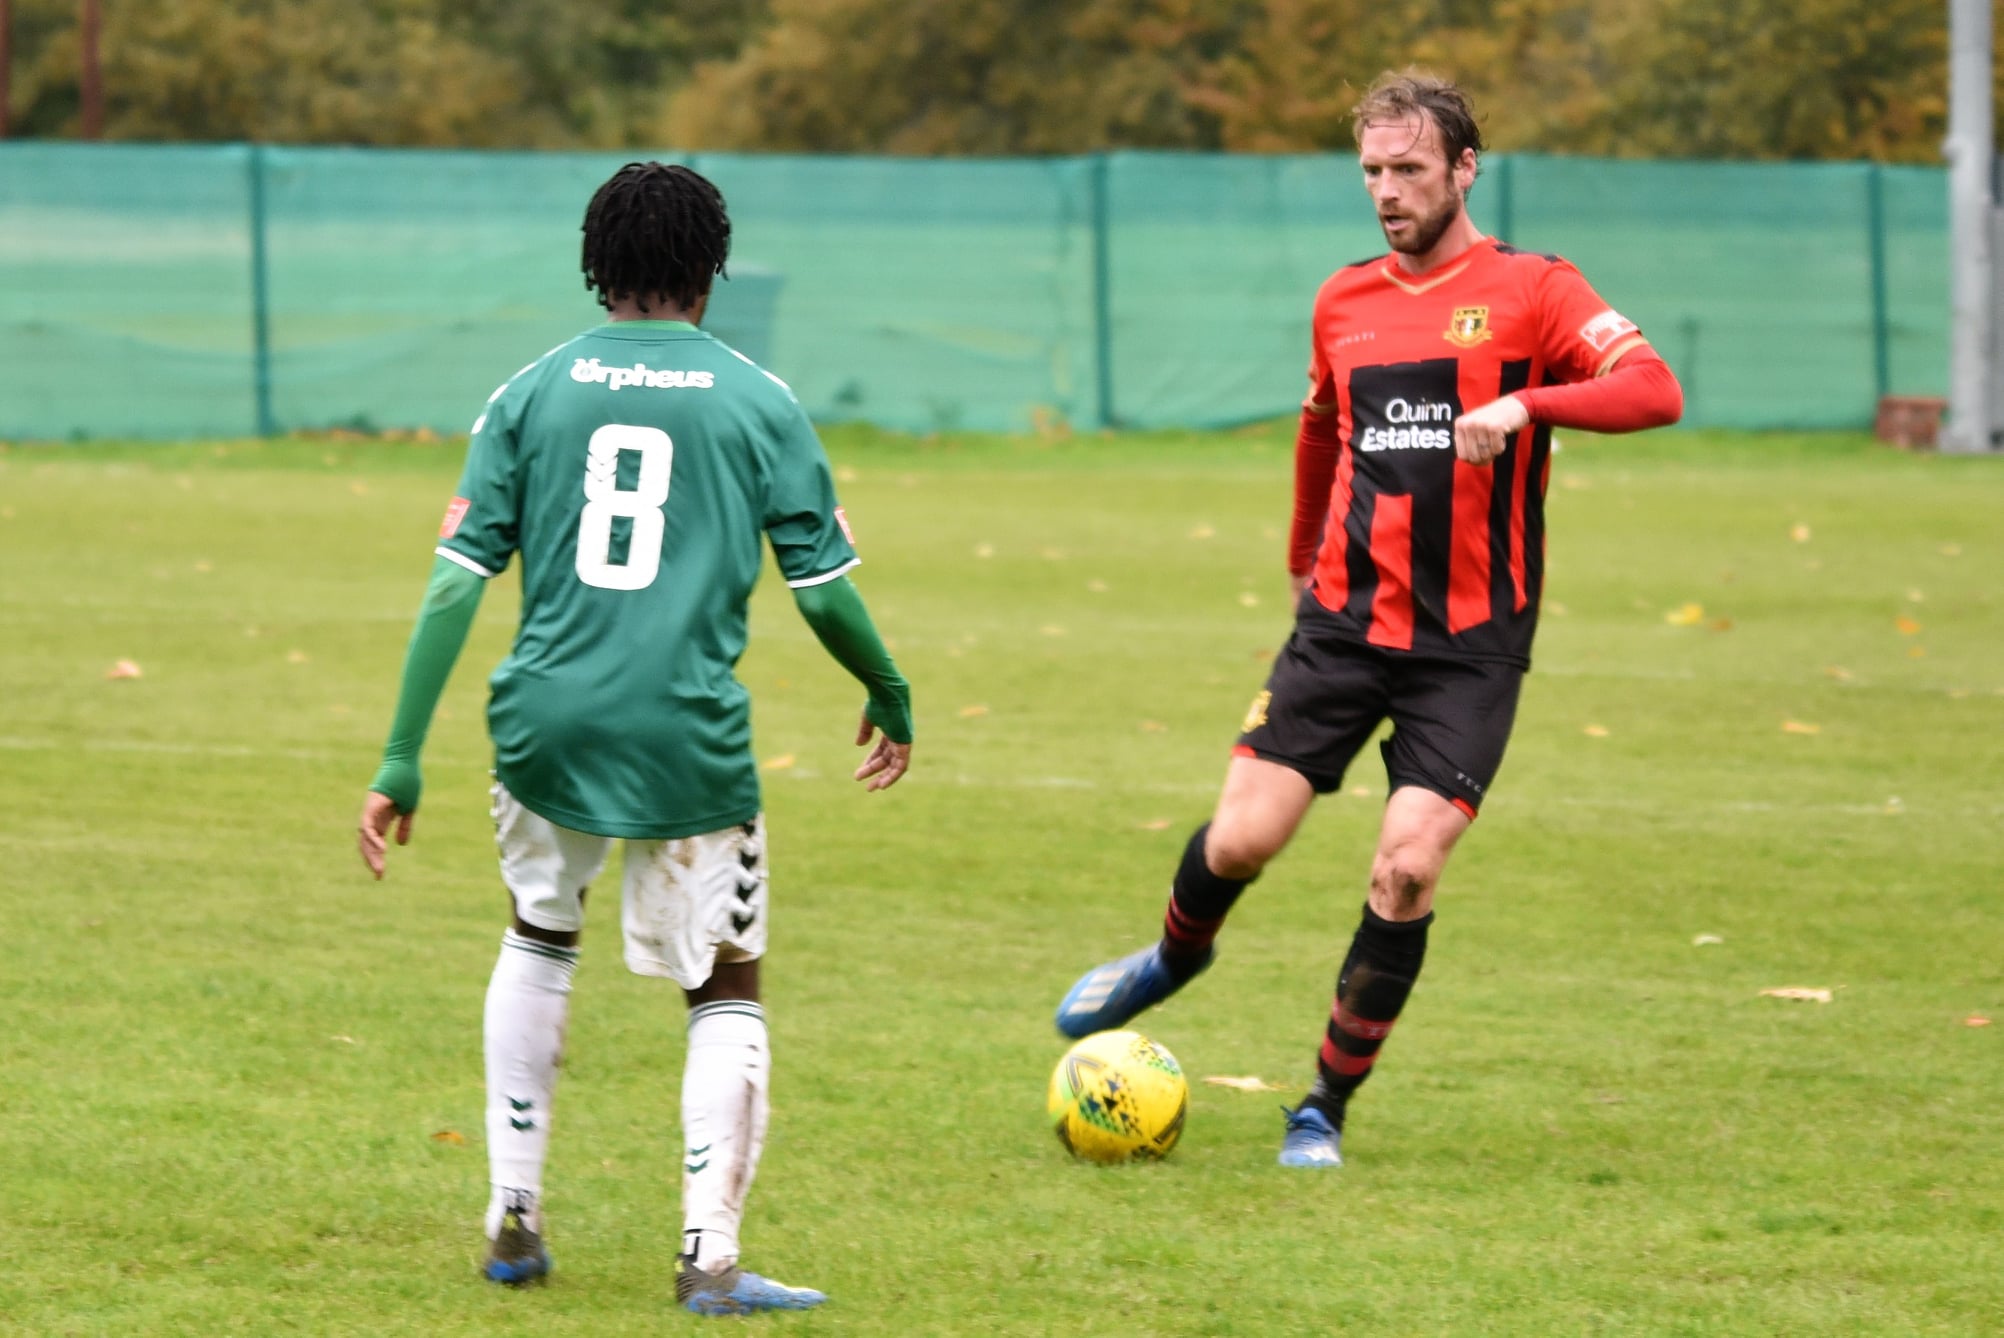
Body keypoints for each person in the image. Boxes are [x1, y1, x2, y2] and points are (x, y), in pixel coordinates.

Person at [1054, 71, 1682, 1168]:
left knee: (1406, 869)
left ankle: (1321, 1110)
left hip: (1470, 649)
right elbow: (1316, 432)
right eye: (1374, 173)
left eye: (1410, 171)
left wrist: (1527, 400)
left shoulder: (1537, 288)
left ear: (1465, 169)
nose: (1388, 192)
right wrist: (1302, 561)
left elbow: (1654, 389)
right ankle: (1171, 957)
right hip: (1343, 627)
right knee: (1244, 837)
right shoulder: (1343, 300)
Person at [356, 161, 913, 1314]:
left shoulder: (530, 392)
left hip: (542, 721)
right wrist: (888, 684)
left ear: (595, 265)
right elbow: (821, 592)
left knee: (537, 932)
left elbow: (454, 589)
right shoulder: (761, 400)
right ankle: (709, 1257)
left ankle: (514, 1220)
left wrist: (401, 754)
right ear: (711, 274)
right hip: (683, 733)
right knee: (726, 983)